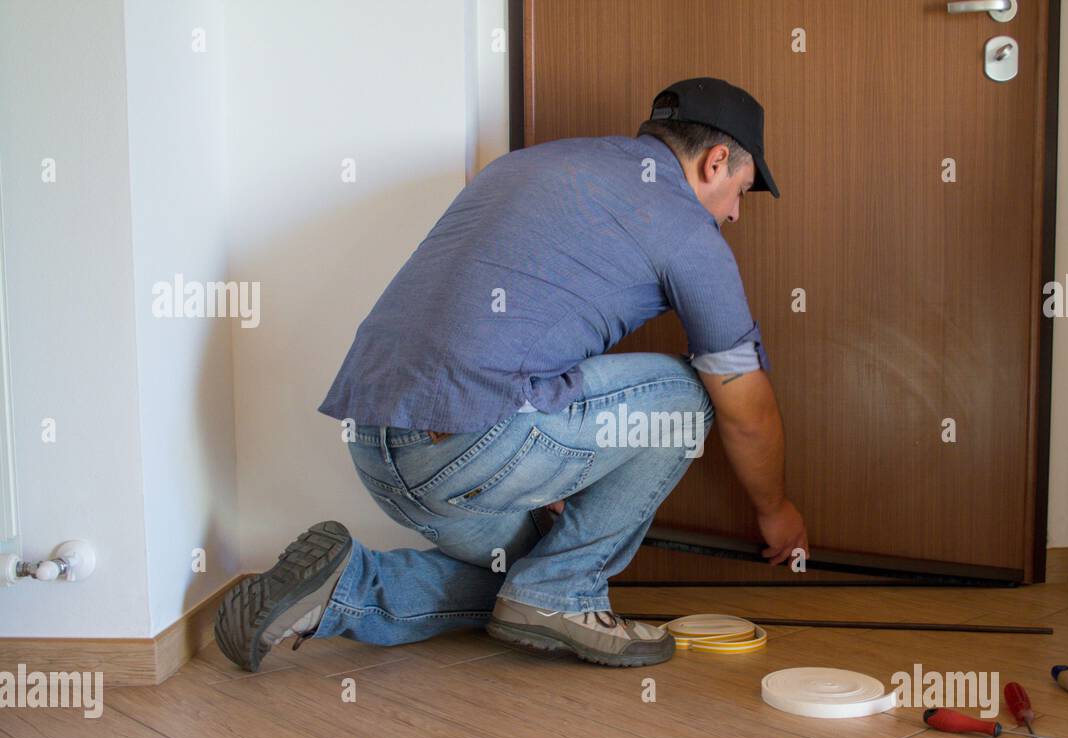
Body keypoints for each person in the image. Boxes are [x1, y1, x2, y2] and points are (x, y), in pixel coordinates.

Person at [215, 77, 808, 673]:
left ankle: (344, 587)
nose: (733, 212)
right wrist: (775, 510)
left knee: (524, 575)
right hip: (473, 448)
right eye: (740, 191)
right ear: (715, 161)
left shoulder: (528, 166)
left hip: (375, 444)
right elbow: (746, 407)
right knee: (690, 396)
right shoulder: (684, 226)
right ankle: (563, 592)